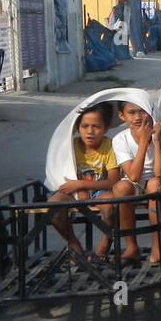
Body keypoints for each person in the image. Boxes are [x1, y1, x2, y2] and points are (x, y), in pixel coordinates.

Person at [49, 105, 120, 261]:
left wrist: (82, 185)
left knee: (109, 207)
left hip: (98, 190)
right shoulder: (70, 146)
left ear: (106, 129)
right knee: (53, 207)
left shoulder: (108, 146)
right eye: (85, 126)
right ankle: (74, 244)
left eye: (96, 127)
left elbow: (113, 181)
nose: (90, 131)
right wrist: (77, 189)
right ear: (78, 128)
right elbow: (58, 171)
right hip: (71, 190)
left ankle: (106, 242)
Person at [110, 100, 161, 264]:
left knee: (155, 185)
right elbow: (133, 176)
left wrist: (155, 141)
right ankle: (131, 247)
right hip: (133, 180)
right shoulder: (120, 139)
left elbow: (159, 172)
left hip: (153, 180)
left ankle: (157, 246)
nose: (138, 117)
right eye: (131, 113)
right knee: (121, 188)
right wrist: (142, 143)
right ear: (122, 116)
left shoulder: (159, 134)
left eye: (142, 112)